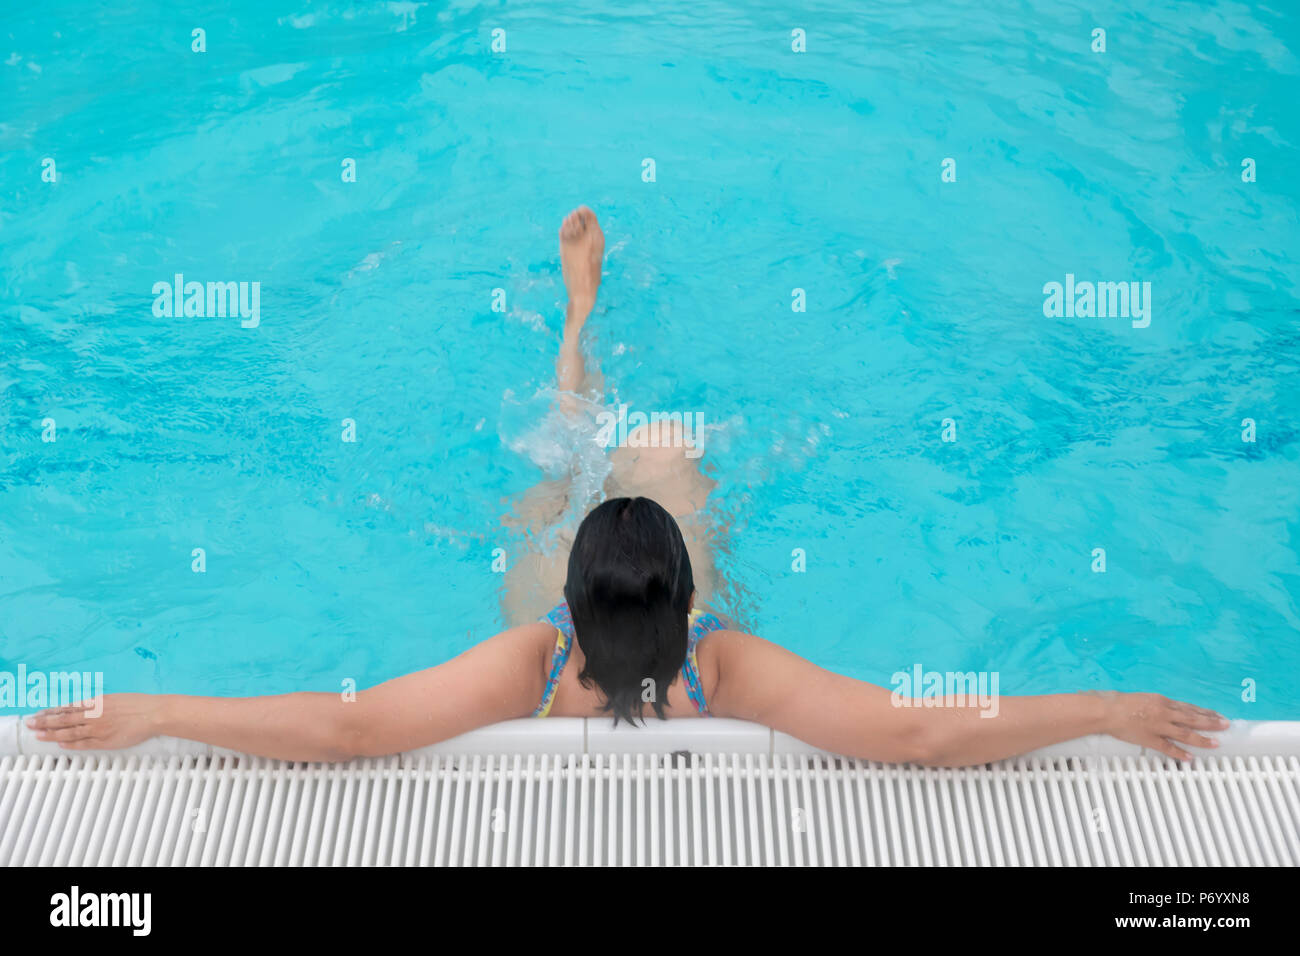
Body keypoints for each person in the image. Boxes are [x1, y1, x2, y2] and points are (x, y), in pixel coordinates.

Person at [27, 207, 1228, 766]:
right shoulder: (722, 663)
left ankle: (579, 323)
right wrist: (1107, 705)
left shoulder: (527, 663)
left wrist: (163, 706)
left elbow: (348, 726)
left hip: (576, 608)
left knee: (579, 468)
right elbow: (910, 732)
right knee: (662, 458)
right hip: (625, 607)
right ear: (690, 604)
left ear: (574, 617)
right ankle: (580, 316)